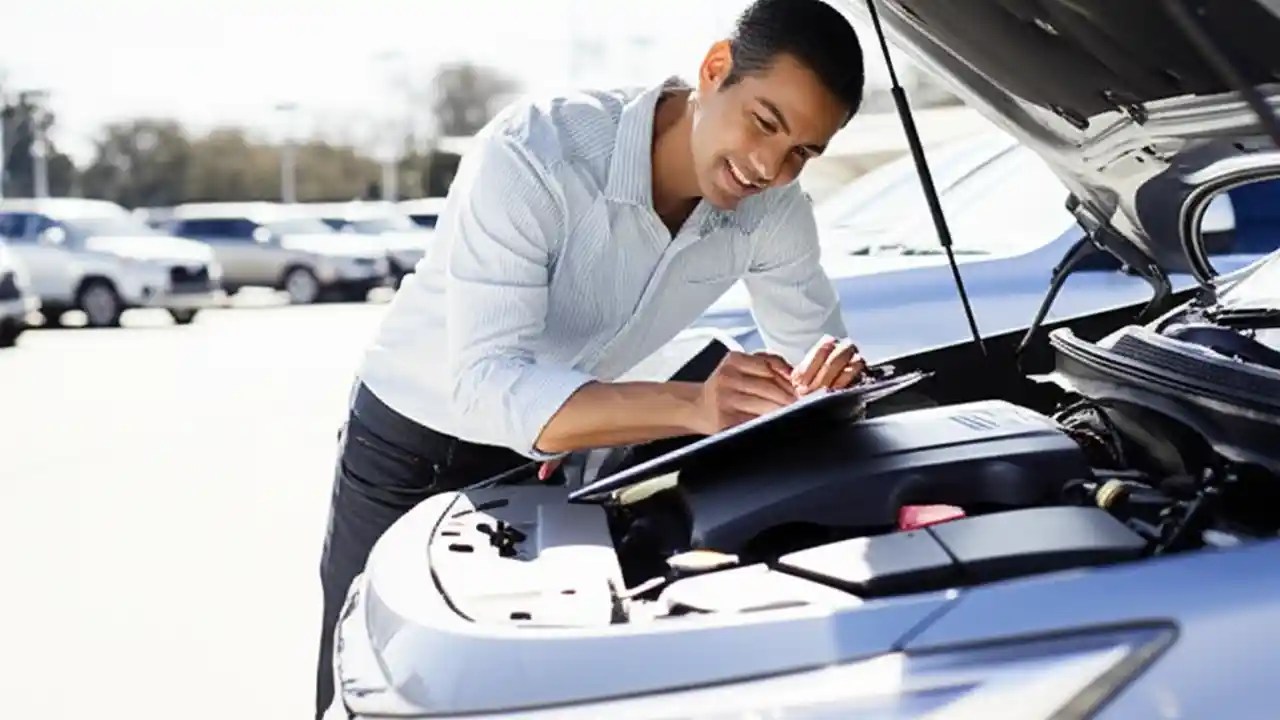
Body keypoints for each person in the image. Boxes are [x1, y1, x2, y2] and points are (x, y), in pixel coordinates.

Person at [313, 0, 866, 714]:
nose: (769, 166)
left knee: (518, 697)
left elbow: (818, 353)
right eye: (764, 122)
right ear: (715, 69)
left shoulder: (776, 212)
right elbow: (487, 386)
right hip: (413, 445)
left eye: (802, 153)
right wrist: (697, 406)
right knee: (367, 693)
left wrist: (829, 381)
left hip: (553, 458)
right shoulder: (537, 152)